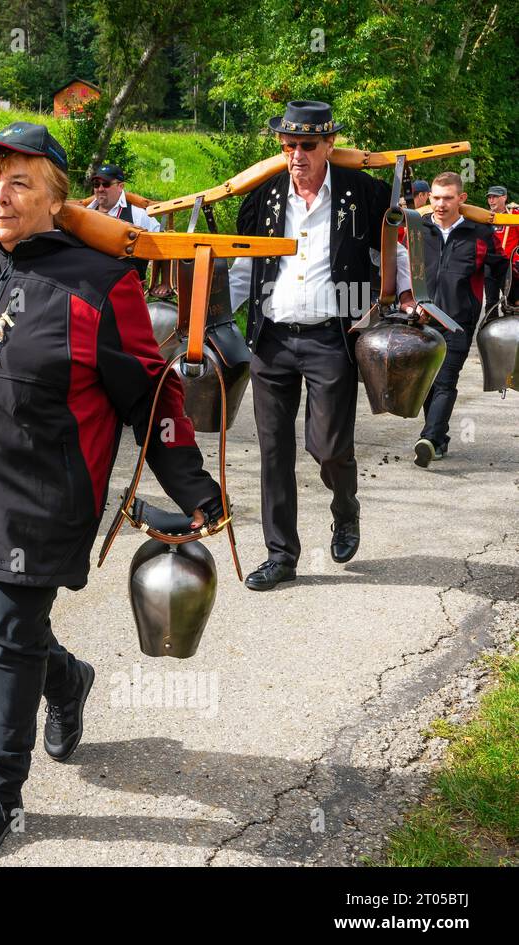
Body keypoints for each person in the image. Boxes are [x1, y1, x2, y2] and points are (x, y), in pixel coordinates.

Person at [0, 122, 223, 857]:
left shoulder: (101, 282)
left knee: (10, 634)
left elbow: (148, 394)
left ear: (59, 199)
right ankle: (69, 675)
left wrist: (192, 483)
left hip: (46, 494)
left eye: (20, 181)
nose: (0, 194)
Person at [229, 101, 414, 591]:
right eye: (288, 146)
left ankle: (345, 507)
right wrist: (218, 320)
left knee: (329, 448)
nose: (296, 155)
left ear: (329, 145)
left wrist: (407, 294)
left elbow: (393, 245)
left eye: (307, 145)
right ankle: (281, 554)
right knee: (273, 449)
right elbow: (244, 266)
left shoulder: (363, 193)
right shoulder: (263, 198)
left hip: (331, 336)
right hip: (271, 338)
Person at [412, 173, 508, 467]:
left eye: (448, 198)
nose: (441, 204)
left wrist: (501, 305)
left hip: (458, 321)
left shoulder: (479, 234)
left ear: (461, 199)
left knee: (444, 379)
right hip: (422, 319)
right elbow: (400, 266)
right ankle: (438, 440)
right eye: (437, 198)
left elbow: (498, 268)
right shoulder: (417, 230)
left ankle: (427, 438)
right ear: (429, 198)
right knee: (427, 382)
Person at [85, 163, 172, 295]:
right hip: (89, 289)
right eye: (96, 184)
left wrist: (165, 282)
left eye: (106, 184)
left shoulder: (137, 214)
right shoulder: (84, 214)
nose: (100, 189)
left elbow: (165, 243)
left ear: (121, 187)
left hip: (126, 292)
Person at [486, 186, 519, 307]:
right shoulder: (486, 216)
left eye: (495, 197)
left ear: (504, 197)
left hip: (509, 265)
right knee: (491, 301)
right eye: (489, 197)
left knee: (512, 302)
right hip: (489, 264)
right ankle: (491, 323)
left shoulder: (514, 214)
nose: (491, 200)